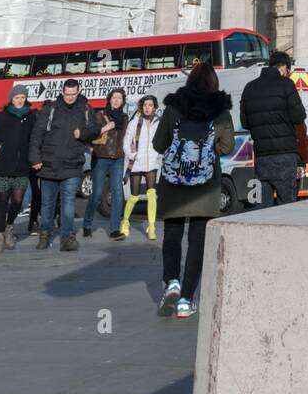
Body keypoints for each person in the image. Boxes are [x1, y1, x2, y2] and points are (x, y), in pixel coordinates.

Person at [153, 62, 235, 318]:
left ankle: (172, 282)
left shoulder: (173, 107)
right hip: (205, 184)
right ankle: (187, 300)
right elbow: (228, 146)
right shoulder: (221, 112)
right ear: (214, 83)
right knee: (198, 241)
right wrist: (207, 152)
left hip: (174, 180)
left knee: (172, 235)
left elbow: (158, 144)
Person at [29, 78, 107, 250]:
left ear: (78, 92)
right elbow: (37, 134)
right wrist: (35, 158)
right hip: (48, 164)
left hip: (72, 164)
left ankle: (67, 238)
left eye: (73, 94)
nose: (70, 97)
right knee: (47, 204)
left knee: (68, 203)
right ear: (62, 92)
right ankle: (44, 235)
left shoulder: (86, 109)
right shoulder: (50, 109)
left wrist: (83, 134)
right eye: (67, 94)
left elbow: (95, 129)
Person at [239, 51, 306, 208]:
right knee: (286, 206)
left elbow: (245, 122)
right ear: (283, 68)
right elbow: (299, 116)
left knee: (261, 207)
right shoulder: (286, 85)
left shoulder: (249, 88)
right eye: (288, 71)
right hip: (285, 156)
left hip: (261, 158)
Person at [0, 85, 35, 252]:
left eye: (22, 97)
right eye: (16, 97)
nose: (19, 100)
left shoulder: (31, 117)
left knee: (18, 201)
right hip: (2, 166)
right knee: (2, 201)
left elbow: (37, 137)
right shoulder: (2, 116)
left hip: (22, 166)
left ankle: (9, 228)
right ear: (11, 99)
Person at [83, 87, 128, 238]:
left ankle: (115, 229)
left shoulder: (125, 117)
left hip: (118, 158)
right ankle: (87, 222)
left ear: (123, 101)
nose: (116, 100)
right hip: (101, 157)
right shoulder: (99, 115)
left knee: (117, 193)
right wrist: (105, 128)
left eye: (119, 98)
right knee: (96, 193)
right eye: (114, 97)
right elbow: (90, 133)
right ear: (109, 99)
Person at [120, 95, 161, 239]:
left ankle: (152, 227)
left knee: (151, 195)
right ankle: (125, 222)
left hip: (152, 163)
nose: (147, 108)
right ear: (141, 107)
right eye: (145, 105)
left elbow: (163, 139)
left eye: (150, 105)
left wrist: (159, 154)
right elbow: (126, 142)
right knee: (134, 196)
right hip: (137, 163)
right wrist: (132, 155)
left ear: (154, 107)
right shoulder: (135, 122)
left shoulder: (158, 122)